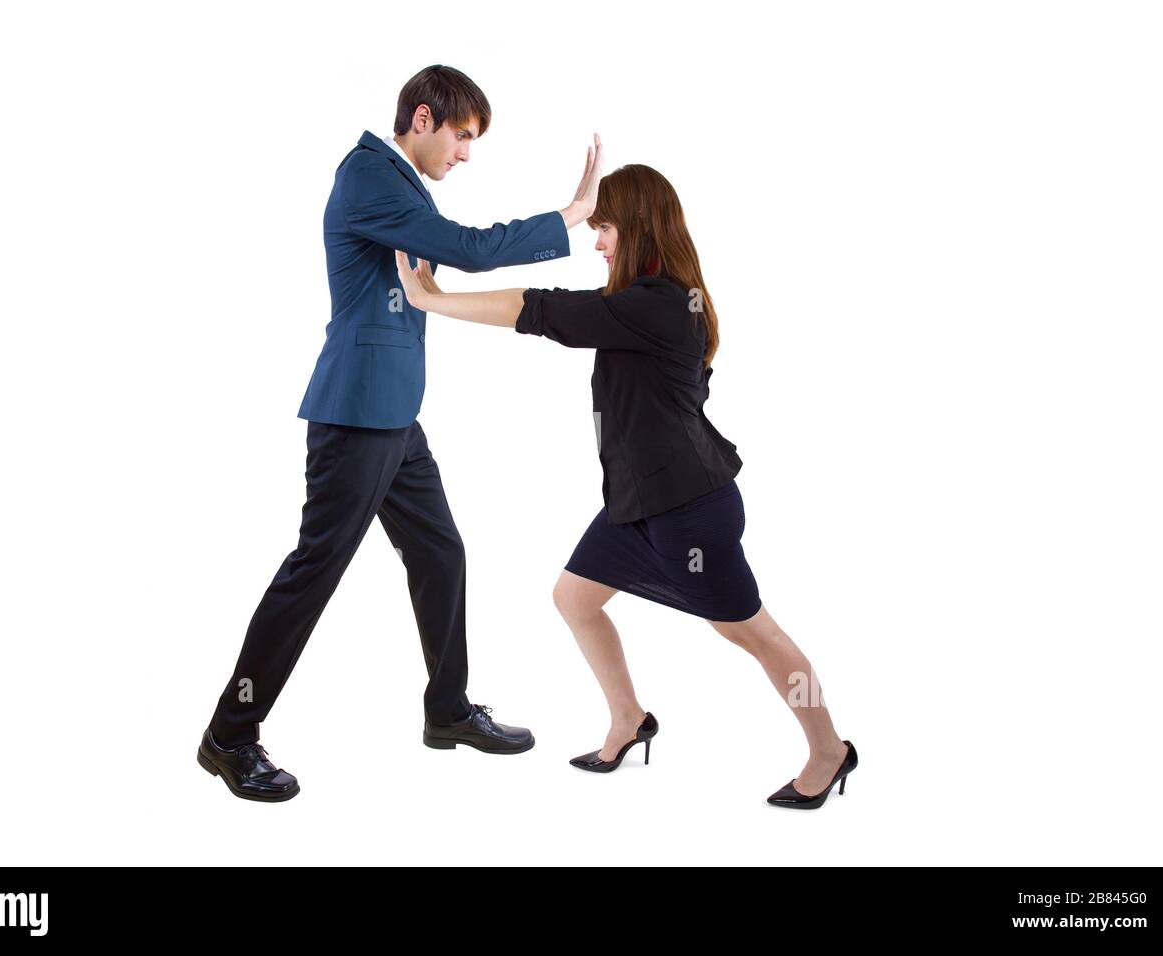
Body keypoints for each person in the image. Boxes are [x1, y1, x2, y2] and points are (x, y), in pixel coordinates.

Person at [197, 64, 606, 802]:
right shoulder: (369, 175)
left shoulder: (402, 185)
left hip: (393, 417)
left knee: (441, 552)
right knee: (314, 574)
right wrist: (573, 213)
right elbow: (471, 248)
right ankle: (230, 734)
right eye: (462, 136)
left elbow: (431, 276)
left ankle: (447, 709)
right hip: (355, 418)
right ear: (423, 118)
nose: (466, 154)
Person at [392, 163, 859, 809]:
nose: (597, 239)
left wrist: (432, 302)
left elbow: (541, 310)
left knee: (753, 633)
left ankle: (829, 750)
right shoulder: (650, 301)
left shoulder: (658, 304)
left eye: (604, 225)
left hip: (691, 512)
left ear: (638, 224)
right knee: (576, 597)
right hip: (638, 505)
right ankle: (628, 719)